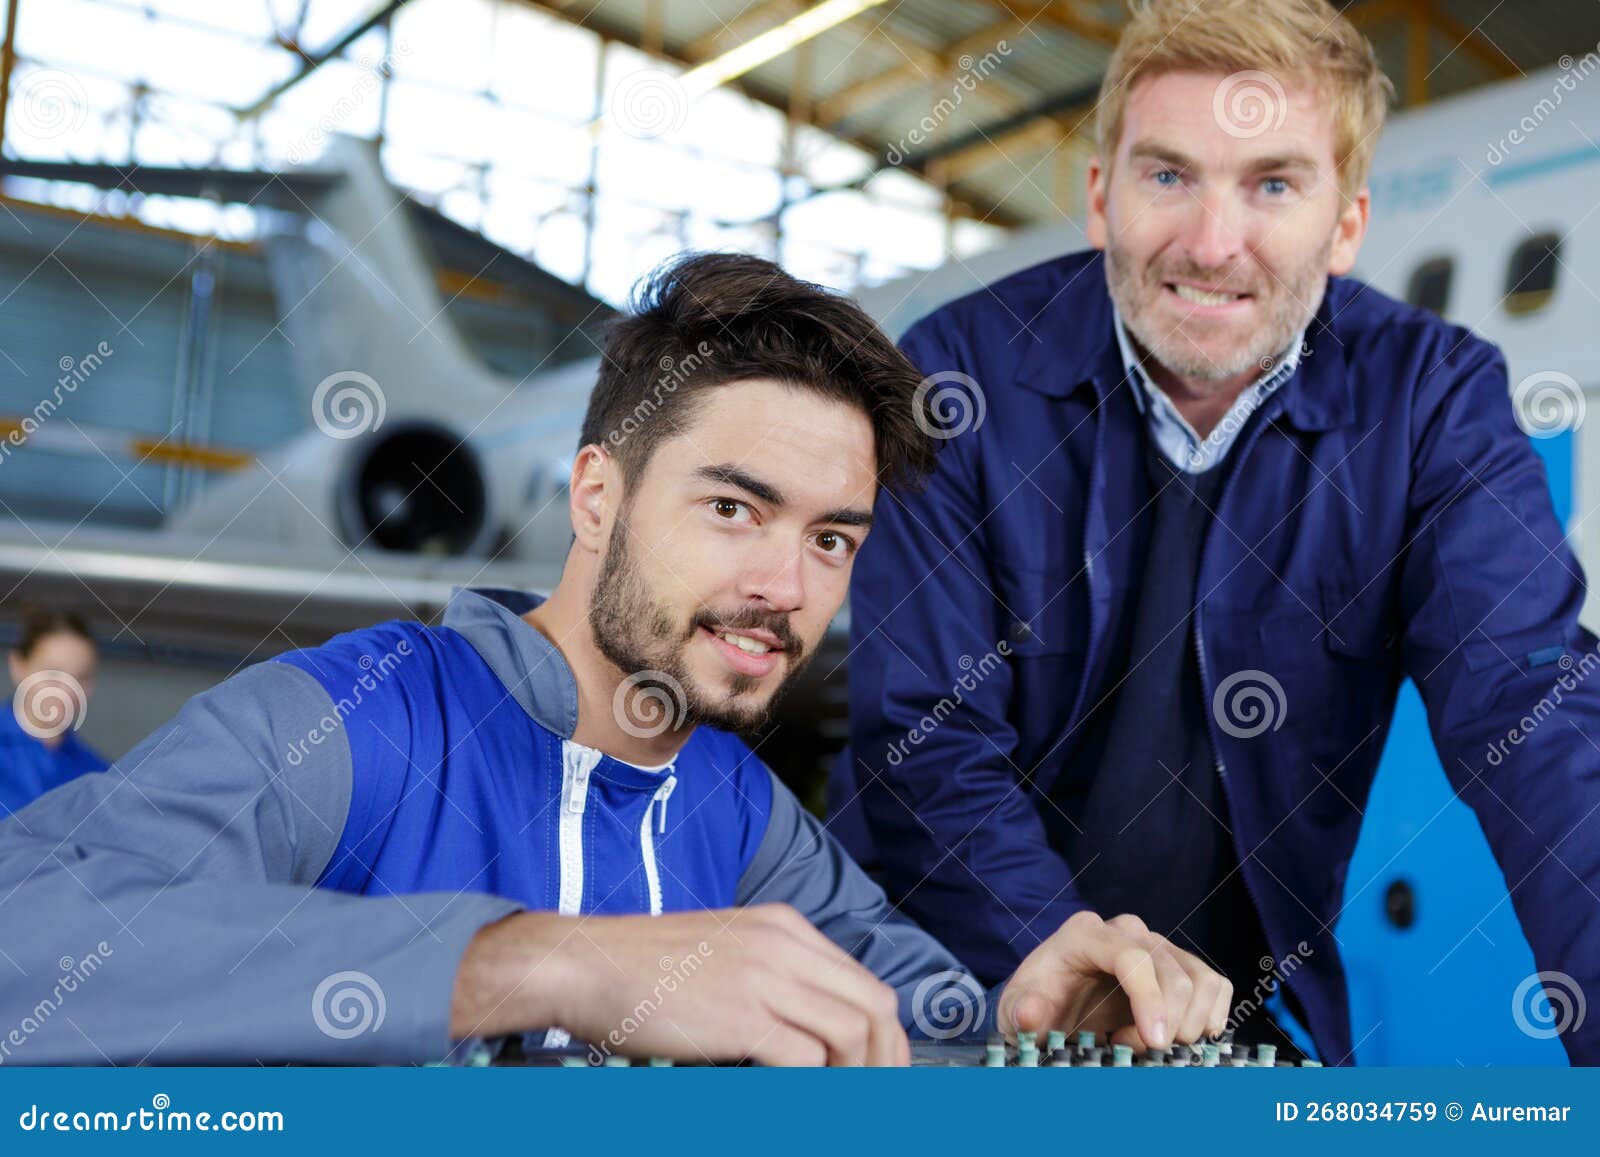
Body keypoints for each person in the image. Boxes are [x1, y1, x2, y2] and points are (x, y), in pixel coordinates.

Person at [0, 253, 1229, 1066]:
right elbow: (30, 946)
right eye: (734, 509)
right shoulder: (349, 726)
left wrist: (1035, 1017)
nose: (784, 587)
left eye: (831, 537)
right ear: (597, 495)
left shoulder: (748, 825)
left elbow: (914, 1022)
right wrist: (541, 961)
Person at [835, 0, 1600, 1066]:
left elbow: (1531, 707)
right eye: (1167, 175)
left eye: (1272, 184)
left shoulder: (1431, 400)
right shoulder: (953, 378)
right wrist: (1054, 950)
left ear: (1345, 226)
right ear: (1101, 197)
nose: (1209, 243)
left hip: (1227, 1021)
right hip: (940, 989)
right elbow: (927, 738)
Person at [1, 604, 106, 819]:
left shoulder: (98, 776)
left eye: (81, 678)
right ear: (18, 666)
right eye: (53, 673)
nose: (67, 690)